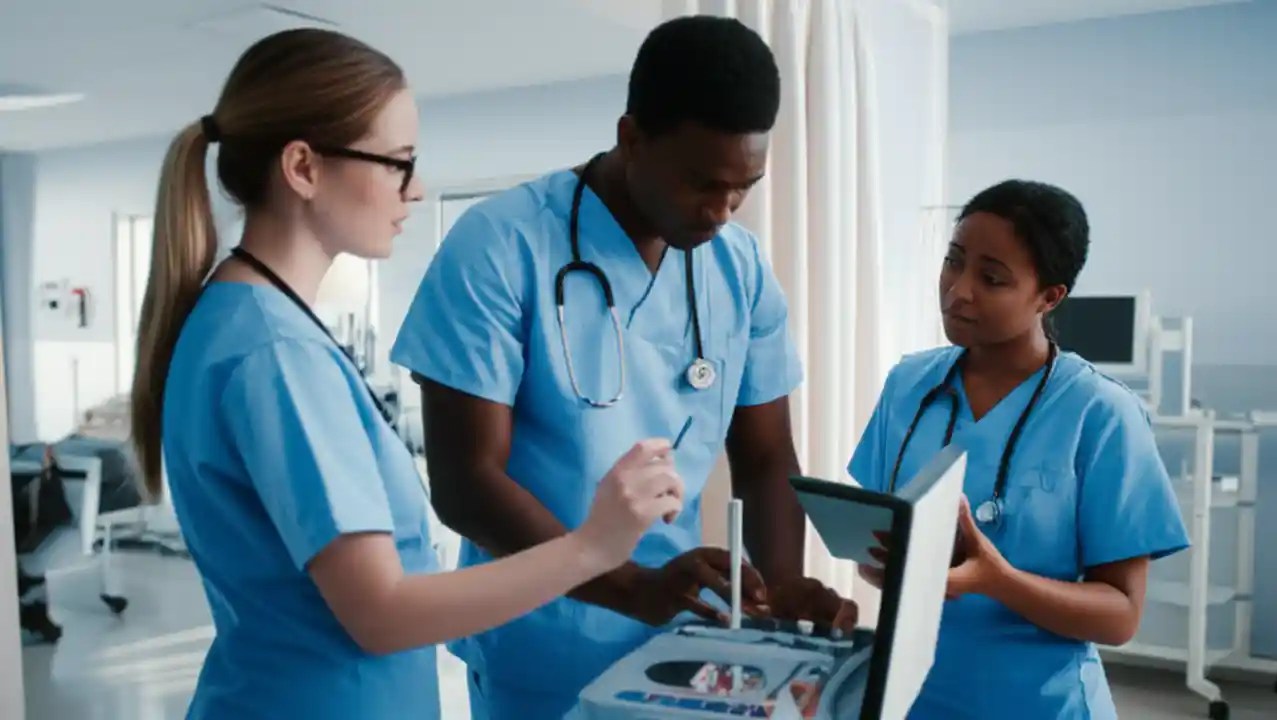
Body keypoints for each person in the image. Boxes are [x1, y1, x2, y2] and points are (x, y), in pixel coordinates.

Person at [129, 28, 690, 720]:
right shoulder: (275, 353)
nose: (416, 190)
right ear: (302, 167)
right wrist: (592, 548)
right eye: (398, 164)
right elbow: (382, 613)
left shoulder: (236, 319)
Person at [391, 15, 857, 720]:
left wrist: (779, 591)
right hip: (539, 642)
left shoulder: (739, 268)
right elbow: (465, 483)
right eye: (702, 183)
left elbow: (765, 456)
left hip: (681, 644)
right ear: (632, 138)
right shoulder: (502, 245)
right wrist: (626, 584)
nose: (721, 211)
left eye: (743, 188)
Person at [850, 179, 1191, 719]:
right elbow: (876, 547)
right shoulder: (908, 387)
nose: (958, 290)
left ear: (1049, 297)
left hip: (1041, 704)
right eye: (953, 261)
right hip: (913, 696)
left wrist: (998, 581)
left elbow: (1120, 616)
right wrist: (884, 562)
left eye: (991, 278)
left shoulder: (1100, 414)